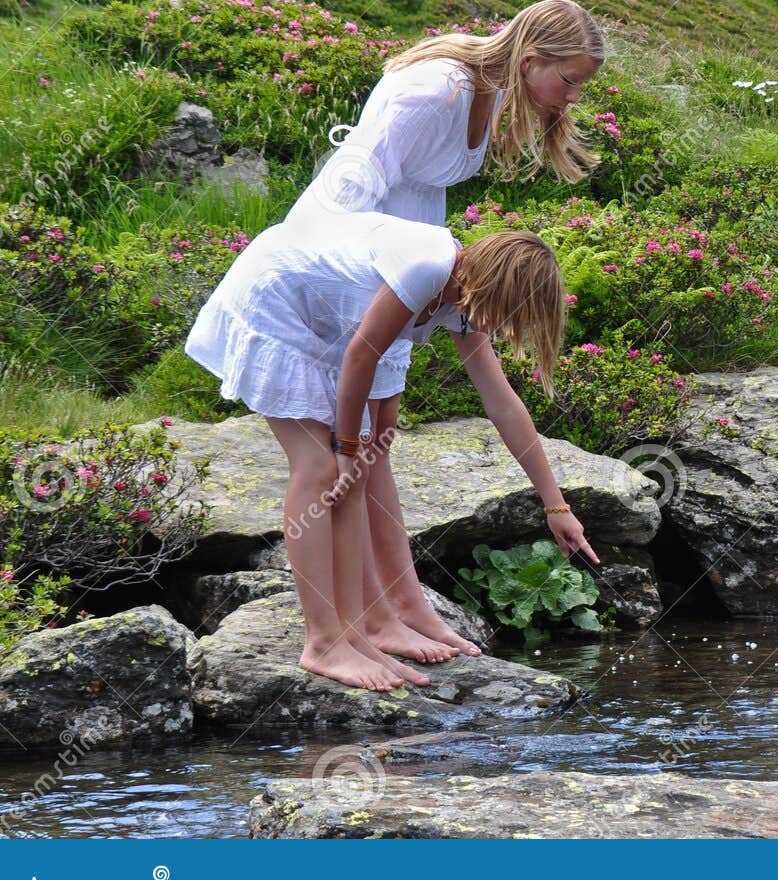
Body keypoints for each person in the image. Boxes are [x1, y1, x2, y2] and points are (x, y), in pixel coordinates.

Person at [283, 0, 607, 667]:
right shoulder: (438, 89)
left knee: (377, 445)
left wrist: (556, 504)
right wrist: (357, 279)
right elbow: (353, 181)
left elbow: (503, 401)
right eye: (569, 80)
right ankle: (367, 621)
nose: (573, 97)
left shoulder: (489, 92)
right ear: (530, 59)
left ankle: (403, 605)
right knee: (354, 448)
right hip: (362, 261)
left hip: (408, 248)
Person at [185, 213, 599, 691]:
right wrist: (345, 447)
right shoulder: (429, 268)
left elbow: (502, 402)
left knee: (356, 470)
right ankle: (323, 643)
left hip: (327, 321)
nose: (508, 330)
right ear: (493, 288)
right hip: (274, 297)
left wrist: (556, 505)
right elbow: (361, 354)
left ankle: (359, 634)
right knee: (319, 467)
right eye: (511, 315)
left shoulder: (463, 297)